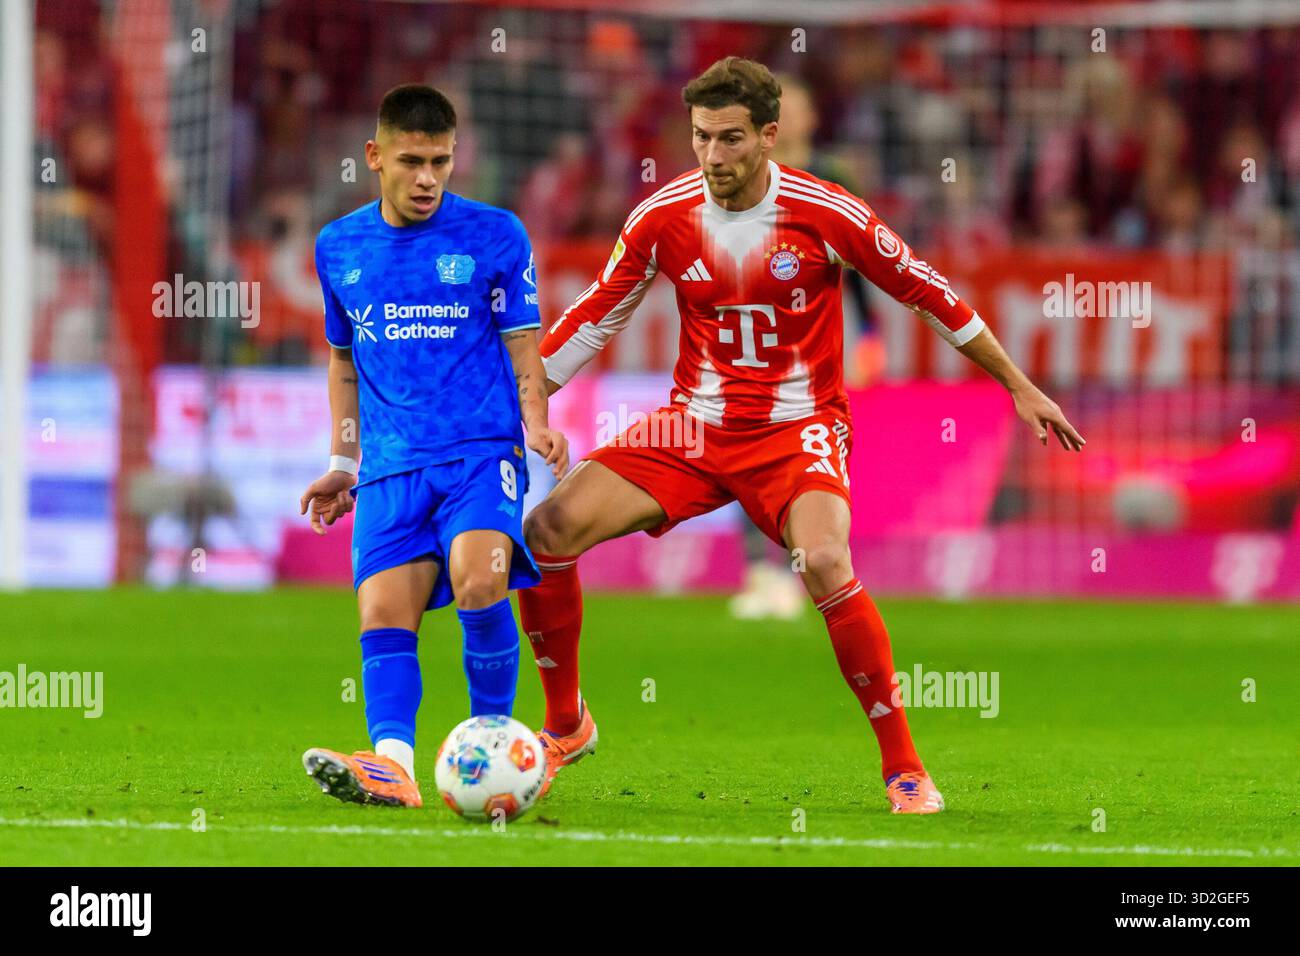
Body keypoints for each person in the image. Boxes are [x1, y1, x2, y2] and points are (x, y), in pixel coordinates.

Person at [518, 58, 1084, 813]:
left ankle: (904, 767)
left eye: (729, 139)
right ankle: (567, 724)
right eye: (700, 139)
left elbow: (928, 291)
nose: (713, 157)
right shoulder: (662, 215)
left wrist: (1016, 383)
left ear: (769, 136)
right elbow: (593, 318)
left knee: (821, 559)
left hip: (797, 426)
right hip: (693, 424)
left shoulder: (827, 211)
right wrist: (524, 411)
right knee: (548, 530)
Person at [297, 85, 569, 808]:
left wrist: (534, 422)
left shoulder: (496, 234)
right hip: (389, 466)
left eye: (441, 162)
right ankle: (393, 767)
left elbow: (523, 346)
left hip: (480, 452)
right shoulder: (338, 246)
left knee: (482, 581)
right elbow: (344, 361)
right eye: (412, 161)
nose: (427, 179)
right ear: (374, 157)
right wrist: (342, 464)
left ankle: (499, 744)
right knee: (383, 613)